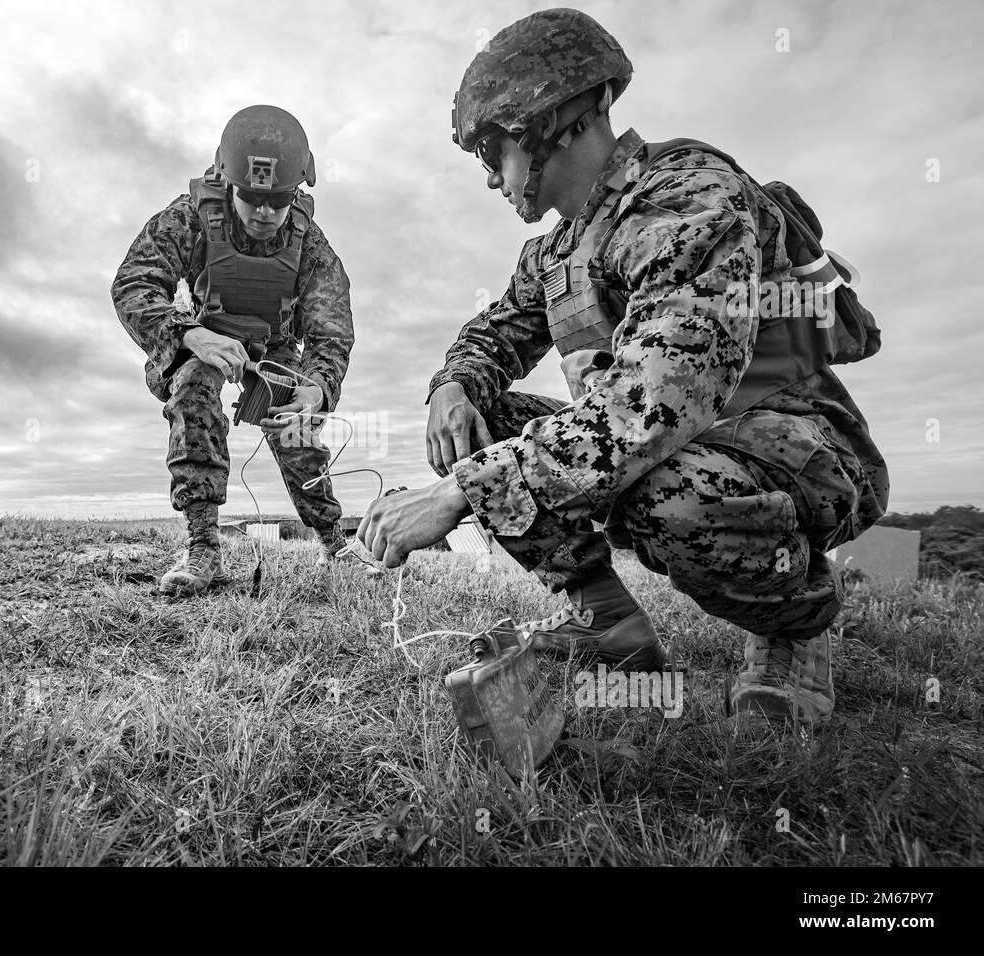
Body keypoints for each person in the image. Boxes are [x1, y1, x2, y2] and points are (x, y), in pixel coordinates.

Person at [357, 8, 888, 724]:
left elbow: (652, 406)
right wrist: (454, 385)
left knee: (669, 499)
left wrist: (458, 493)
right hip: (665, 448)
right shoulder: (557, 251)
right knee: (482, 423)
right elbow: (493, 334)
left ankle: (796, 624)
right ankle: (607, 623)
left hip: (791, 453)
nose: (488, 179)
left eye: (491, 153)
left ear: (548, 123)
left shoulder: (691, 199)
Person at [113, 105, 361, 595]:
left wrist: (315, 392)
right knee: (191, 390)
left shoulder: (308, 242)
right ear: (228, 183)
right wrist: (186, 334)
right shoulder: (189, 218)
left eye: (279, 199)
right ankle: (202, 544)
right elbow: (134, 283)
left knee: (296, 425)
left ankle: (335, 542)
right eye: (252, 198)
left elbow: (331, 331)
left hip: (274, 346)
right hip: (204, 335)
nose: (265, 212)